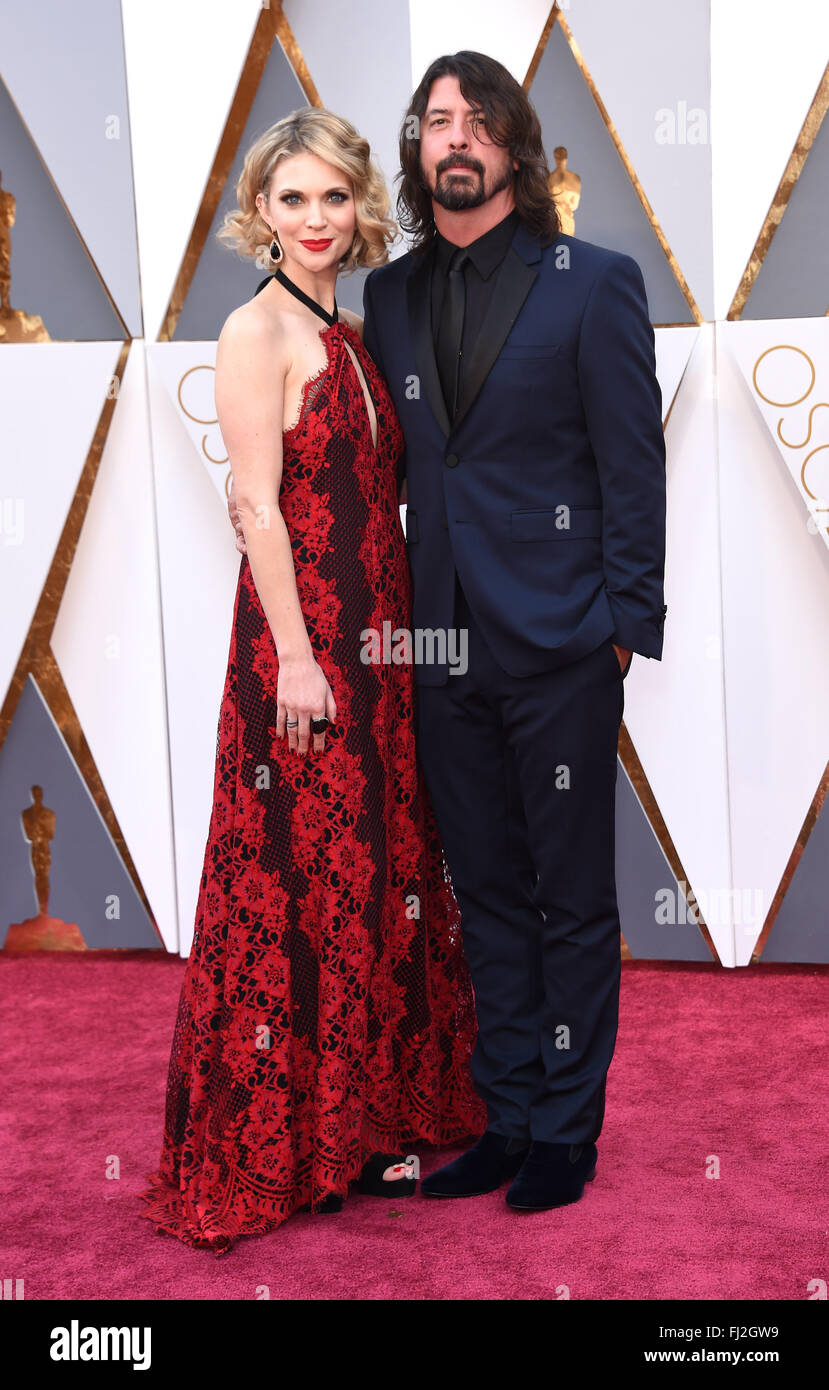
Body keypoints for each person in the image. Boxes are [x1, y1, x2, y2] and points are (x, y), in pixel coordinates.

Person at [231, 53, 667, 1213]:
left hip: (565, 645)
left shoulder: (596, 280)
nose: (453, 138)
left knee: (571, 897)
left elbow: (634, 467)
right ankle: (508, 1113)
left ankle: (567, 1130)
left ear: (514, 143)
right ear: (416, 154)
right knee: (480, 889)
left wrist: (622, 629)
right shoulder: (394, 297)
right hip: (438, 650)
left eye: (476, 119)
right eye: (433, 123)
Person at [140, 107, 486, 1256]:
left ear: (358, 202)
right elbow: (254, 505)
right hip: (306, 642)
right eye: (293, 199)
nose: (317, 218)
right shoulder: (255, 330)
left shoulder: (357, 317)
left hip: (381, 638)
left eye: (334, 195)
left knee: (382, 863)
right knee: (301, 873)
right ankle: (292, 1137)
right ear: (261, 211)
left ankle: (369, 1114)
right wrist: (294, 654)